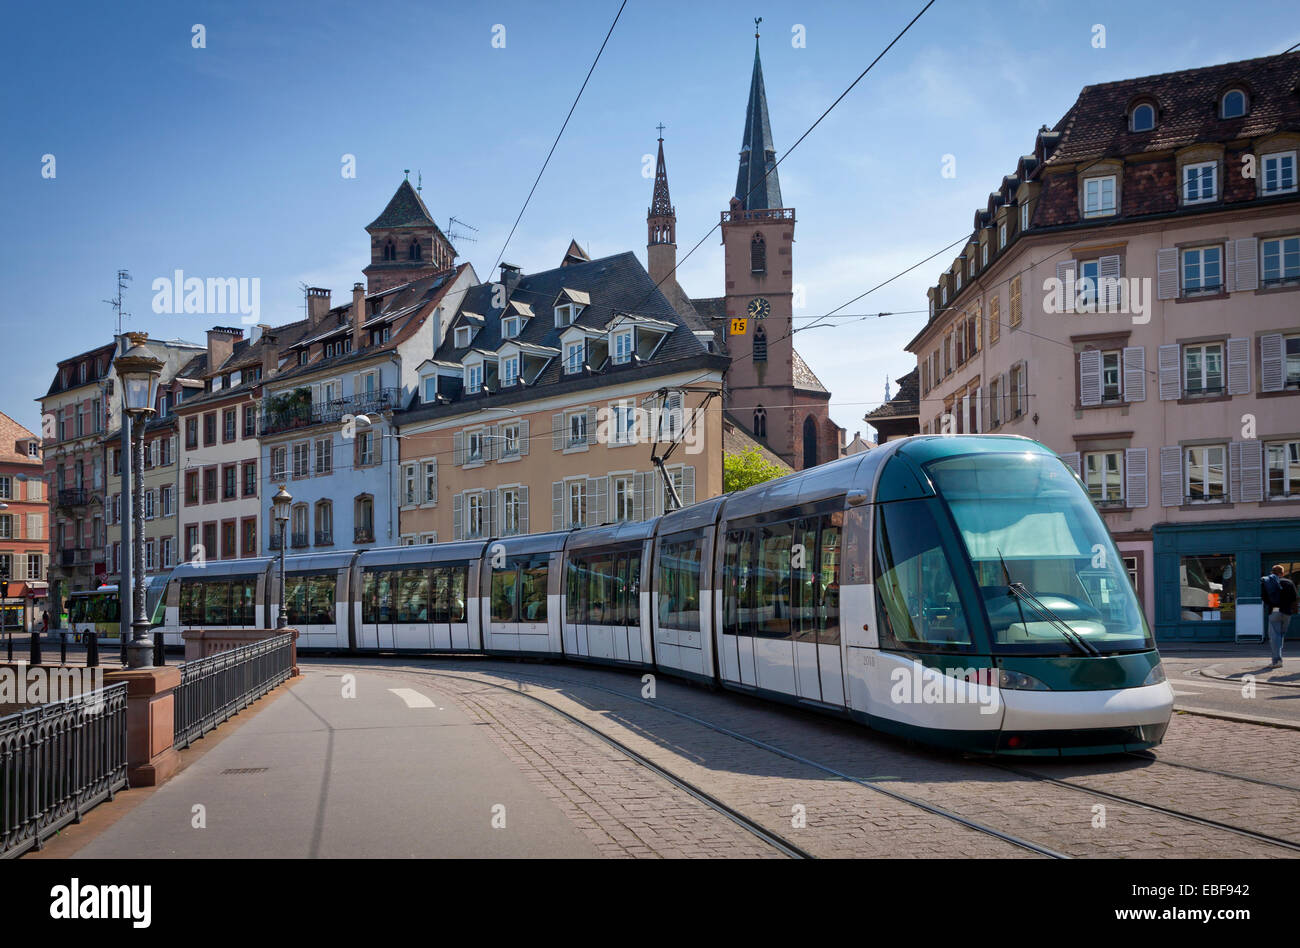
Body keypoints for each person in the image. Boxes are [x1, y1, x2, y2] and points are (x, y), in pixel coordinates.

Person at [1260, 565, 1298, 668]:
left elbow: (1264, 598)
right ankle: (1278, 659)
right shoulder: (1289, 582)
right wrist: (1294, 610)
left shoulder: (1268, 582)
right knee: (1280, 636)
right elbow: (1294, 598)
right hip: (1287, 612)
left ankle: (1277, 661)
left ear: (1272, 572)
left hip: (1274, 611)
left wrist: (1271, 604)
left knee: (1275, 637)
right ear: (1282, 572)